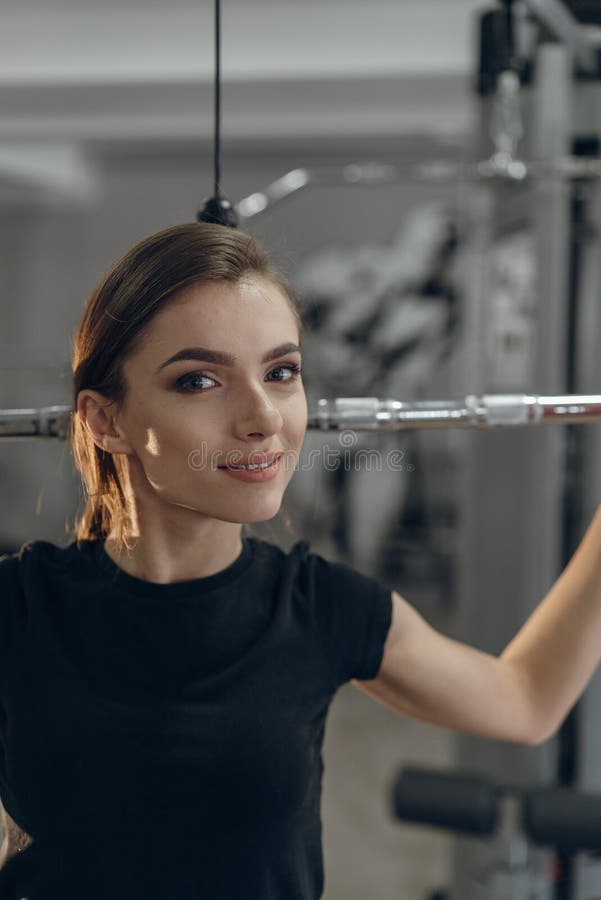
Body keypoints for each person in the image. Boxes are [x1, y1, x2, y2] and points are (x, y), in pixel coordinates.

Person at [1, 221, 601, 900]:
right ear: (105, 421)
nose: (263, 417)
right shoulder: (17, 606)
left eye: (280, 373)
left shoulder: (324, 608)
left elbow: (525, 702)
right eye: (199, 380)